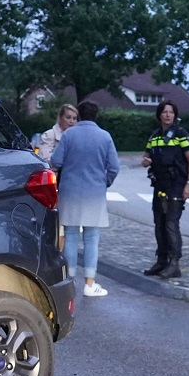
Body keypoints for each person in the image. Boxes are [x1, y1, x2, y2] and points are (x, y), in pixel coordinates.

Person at [50, 100, 120, 297]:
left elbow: (56, 161)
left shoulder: (69, 135)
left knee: (70, 237)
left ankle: (69, 282)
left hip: (70, 191)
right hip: (95, 193)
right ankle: (90, 283)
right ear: (96, 115)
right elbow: (114, 167)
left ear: (79, 115)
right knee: (92, 239)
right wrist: (104, 182)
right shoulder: (105, 137)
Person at [140, 101, 189, 278]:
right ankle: (161, 260)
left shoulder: (180, 134)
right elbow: (146, 157)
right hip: (159, 185)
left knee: (171, 224)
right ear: (159, 115)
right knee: (159, 224)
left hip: (177, 184)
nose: (168, 115)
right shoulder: (154, 136)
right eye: (164, 112)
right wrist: (146, 161)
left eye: (171, 112)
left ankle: (174, 263)